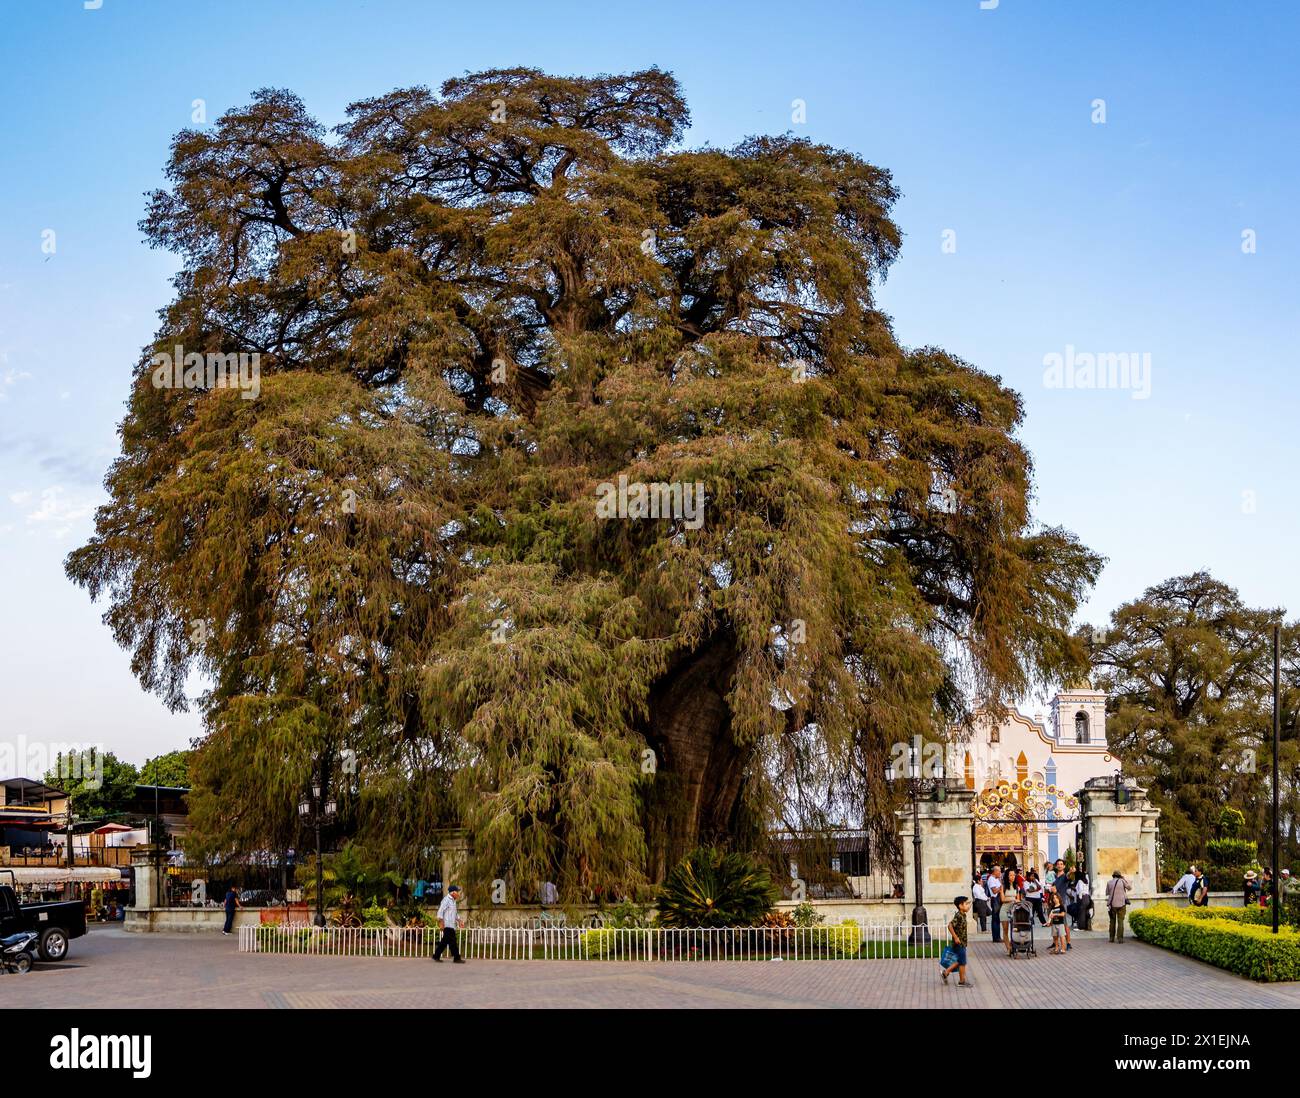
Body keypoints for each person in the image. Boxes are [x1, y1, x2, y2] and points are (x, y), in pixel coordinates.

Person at [941, 895, 973, 987]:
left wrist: (971, 902)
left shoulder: (963, 914)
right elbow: (950, 926)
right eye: (966, 904)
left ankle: (946, 973)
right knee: (962, 962)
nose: (968, 906)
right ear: (960, 906)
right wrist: (955, 937)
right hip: (959, 943)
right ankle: (962, 981)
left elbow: (968, 907)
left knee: (960, 961)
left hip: (962, 943)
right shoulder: (958, 915)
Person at [433, 883, 466, 963]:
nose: (458, 894)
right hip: (447, 925)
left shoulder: (453, 901)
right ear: (453, 892)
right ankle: (456, 958)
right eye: (457, 892)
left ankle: (436, 955)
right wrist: (441, 923)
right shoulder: (446, 900)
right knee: (453, 942)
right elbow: (440, 911)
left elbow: (455, 913)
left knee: (445, 942)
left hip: (451, 925)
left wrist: (459, 920)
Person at [1105, 870, 1131, 942]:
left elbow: (1107, 893)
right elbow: (1129, 888)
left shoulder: (1109, 882)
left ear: (1113, 875)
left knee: (1112, 921)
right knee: (1120, 921)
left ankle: (1111, 938)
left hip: (1112, 904)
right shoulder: (1122, 881)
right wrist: (1124, 879)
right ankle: (1120, 939)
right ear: (1120, 876)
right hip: (1122, 904)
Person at [1052, 859, 1073, 950]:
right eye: (1058, 864)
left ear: (1064, 866)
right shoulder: (1055, 877)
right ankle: (1055, 943)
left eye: (1061, 864)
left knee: (1064, 924)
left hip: (1062, 903)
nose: (1060, 865)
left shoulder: (1065, 876)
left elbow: (1068, 876)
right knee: (1055, 923)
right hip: (1054, 903)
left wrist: (1070, 871)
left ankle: (1068, 943)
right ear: (1056, 866)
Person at [987, 866, 1004, 943]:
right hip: (995, 900)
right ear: (995, 871)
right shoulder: (991, 879)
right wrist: (1001, 887)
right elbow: (994, 891)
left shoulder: (996, 879)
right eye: (999, 871)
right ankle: (996, 937)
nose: (1000, 873)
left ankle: (998, 936)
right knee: (995, 919)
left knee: (997, 919)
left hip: (998, 900)